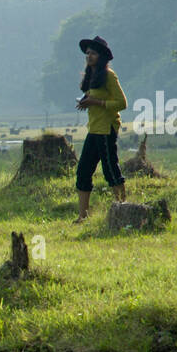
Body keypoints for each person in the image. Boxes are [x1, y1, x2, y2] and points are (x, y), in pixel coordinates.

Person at [73, 36, 128, 223]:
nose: (89, 56)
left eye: (93, 53)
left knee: (110, 169)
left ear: (101, 56)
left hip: (106, 129)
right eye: (87, 53)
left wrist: (95, 102)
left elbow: (122, 103)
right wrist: (85, 101)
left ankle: (122, 210)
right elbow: (92, 98)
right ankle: (83, 216)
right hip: (94, 129)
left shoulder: (109, 76)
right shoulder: (91, 77)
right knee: (83, 171)